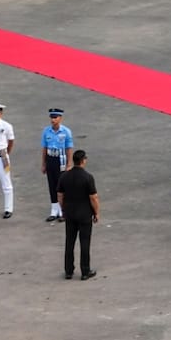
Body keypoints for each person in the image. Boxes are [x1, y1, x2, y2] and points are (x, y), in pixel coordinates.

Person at [57, 149, 99, 280]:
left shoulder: (64, 176)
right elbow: (93, 197)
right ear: (82, 161)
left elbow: (60, 195)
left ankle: (68, 270)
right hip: (84, 214)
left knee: (70, 241)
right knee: (84, 242)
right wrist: (96, 212)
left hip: (70, 213)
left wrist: (63, 209)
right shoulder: (88, 177)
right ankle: (85, 271)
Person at [42, 108, 75, 222]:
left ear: (60, 118)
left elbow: (69, 148)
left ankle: (63, 211)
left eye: (55, 117)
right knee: (52, 185)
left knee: (61, 186)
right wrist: (44, 163)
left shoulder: (66, 131)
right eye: (51, 117)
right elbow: (44, 148)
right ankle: (54, 210)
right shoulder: (46, 131)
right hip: (51, 159)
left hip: (61, 160)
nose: (53, 120)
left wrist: (69, 163)